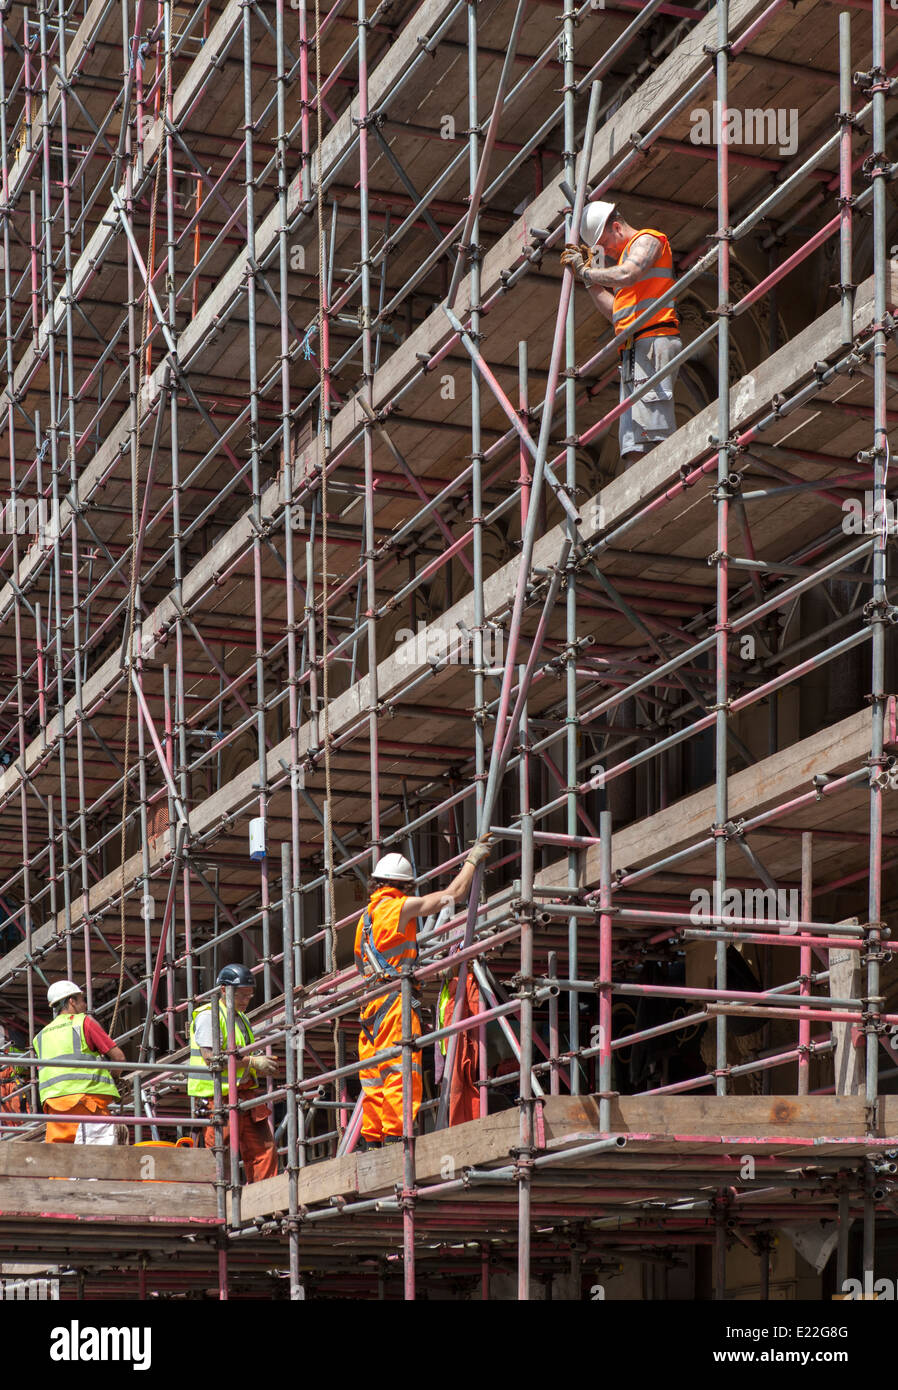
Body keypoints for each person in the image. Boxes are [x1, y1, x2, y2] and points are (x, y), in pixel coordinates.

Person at [354, 836, 492, 1151]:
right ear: (403, 886)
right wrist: (472, 860)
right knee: (401, 1069)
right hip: (393, 1001)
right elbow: (451, 896)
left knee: (375, 1074)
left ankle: (375, 1140)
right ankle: (396, 1139)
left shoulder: (365, 920)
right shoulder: (399, 906)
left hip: (369, 1006)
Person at [562, 202, 682, 470]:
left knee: (653, 429)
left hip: (654, 340)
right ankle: (639, 495)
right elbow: (616, 313)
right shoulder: (626, 270)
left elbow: (629, 272)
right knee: (633, 439)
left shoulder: (648, 239)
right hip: (634, 349)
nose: (610, 252)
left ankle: (662, 480)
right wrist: (590, 281)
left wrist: (587, 270)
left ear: (617, 226)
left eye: (607, 244)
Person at [188, 964, 278, 1184]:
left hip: (245, 1096)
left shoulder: (240, 1018)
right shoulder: (209, 1015)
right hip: (219, 1098)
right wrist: (253, 1061)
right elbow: (212, 1057)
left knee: (264, 1150)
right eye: (241, 995)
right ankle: (218, 1201)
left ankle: (265, 1199)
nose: (245, 1000)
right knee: (220, 1151)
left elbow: (239, 1052)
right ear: (224, 990)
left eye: (249, 995)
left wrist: (254, 1062)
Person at [32, 981, 125, 1143]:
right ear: (71, 1001)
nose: (85, 1004)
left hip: (55, 1107)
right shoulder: (83, 1022)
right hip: (86, 1102)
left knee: (62, 1159)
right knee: (100, 1155)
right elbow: (119, 1058)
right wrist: (115, 1078)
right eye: (82, 1000)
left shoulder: (40, 1036)